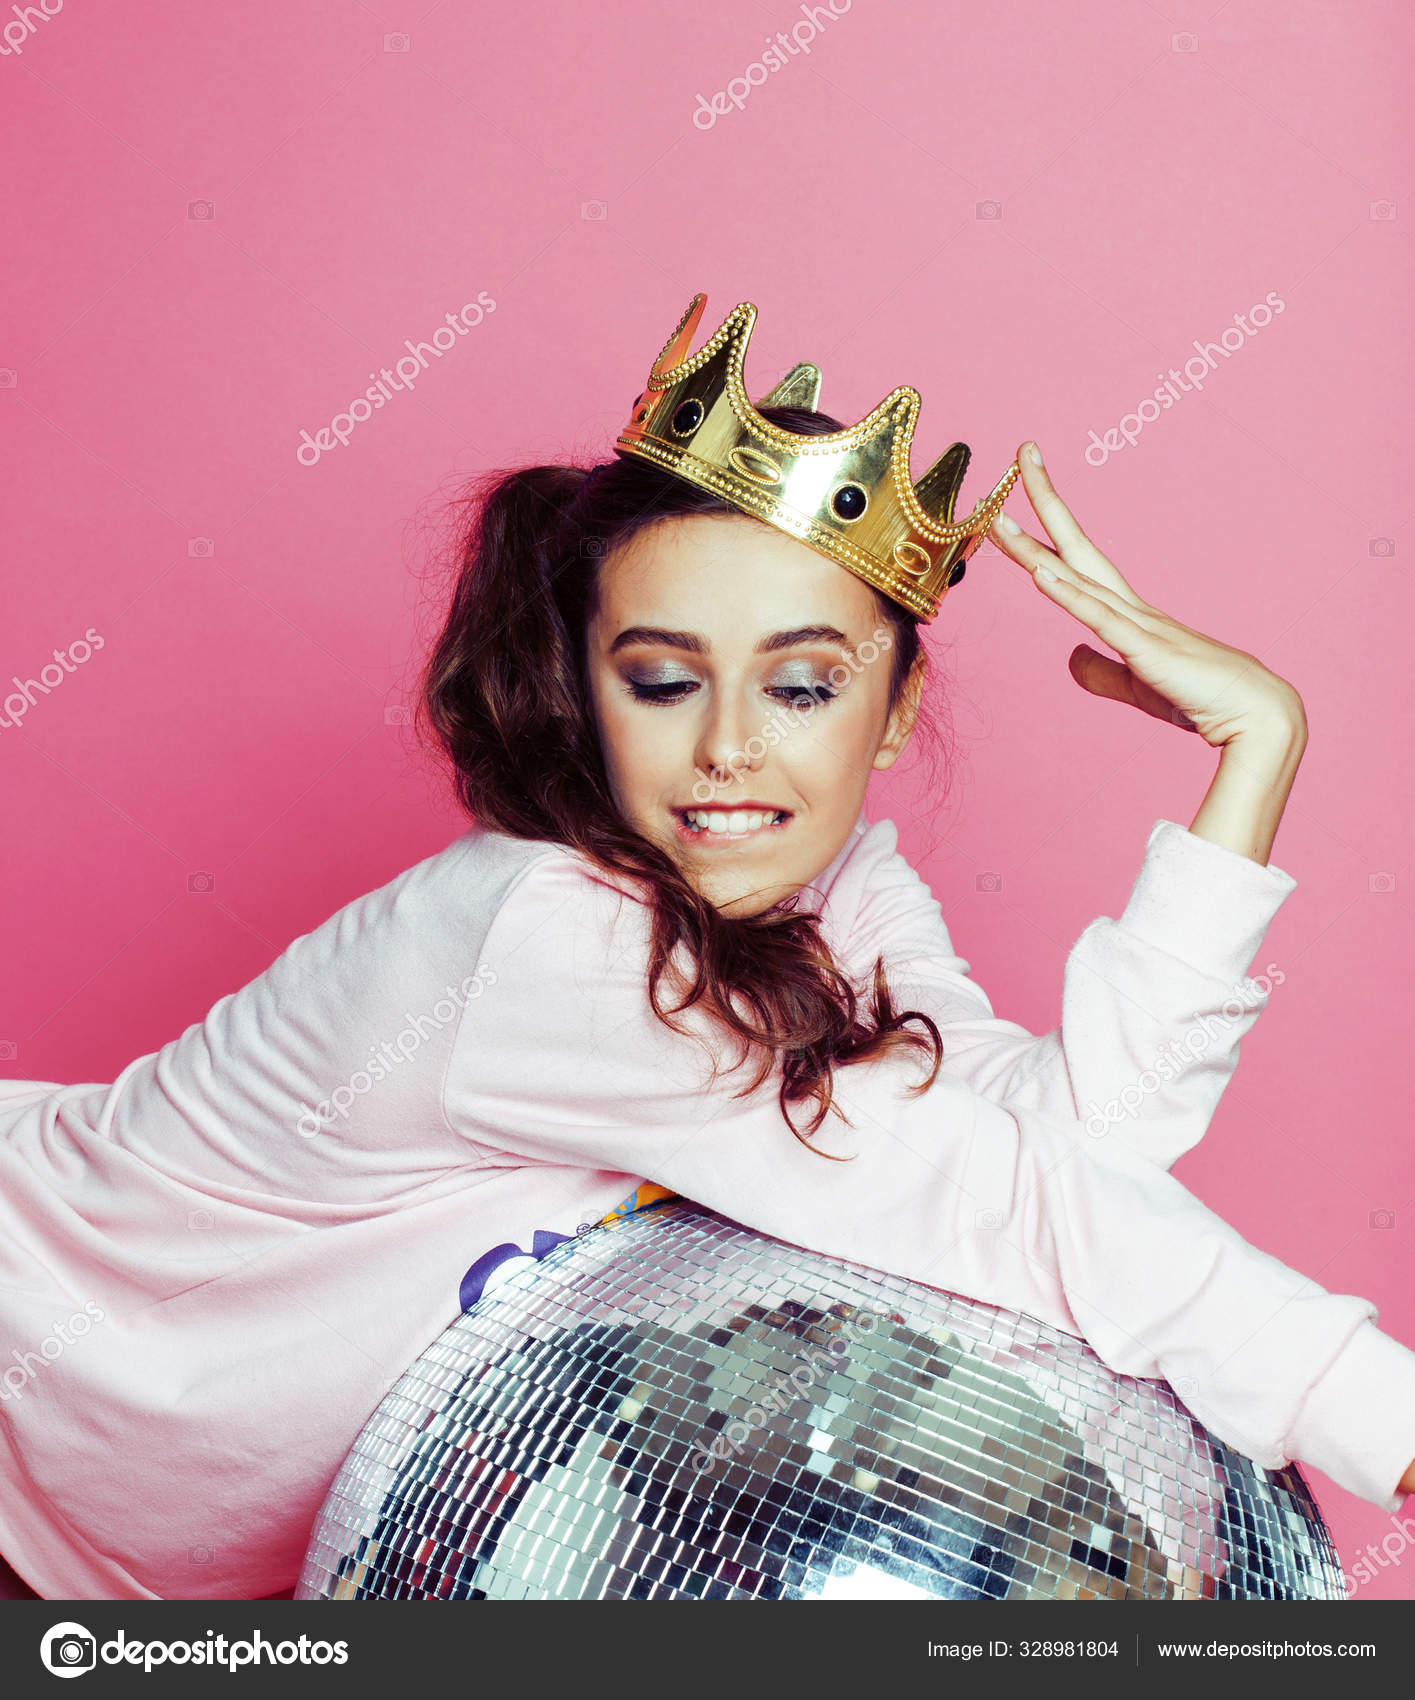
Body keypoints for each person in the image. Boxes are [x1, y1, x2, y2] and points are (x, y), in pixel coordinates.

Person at [1, 294, 1412, 1602]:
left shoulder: (836, 890)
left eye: (801, 686)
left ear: (895, 712)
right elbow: (1002, 1201)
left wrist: (1253, 753)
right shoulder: (544, 934)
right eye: (665, 679)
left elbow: (1076, 1153)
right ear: (586, 690)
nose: (729, 746)